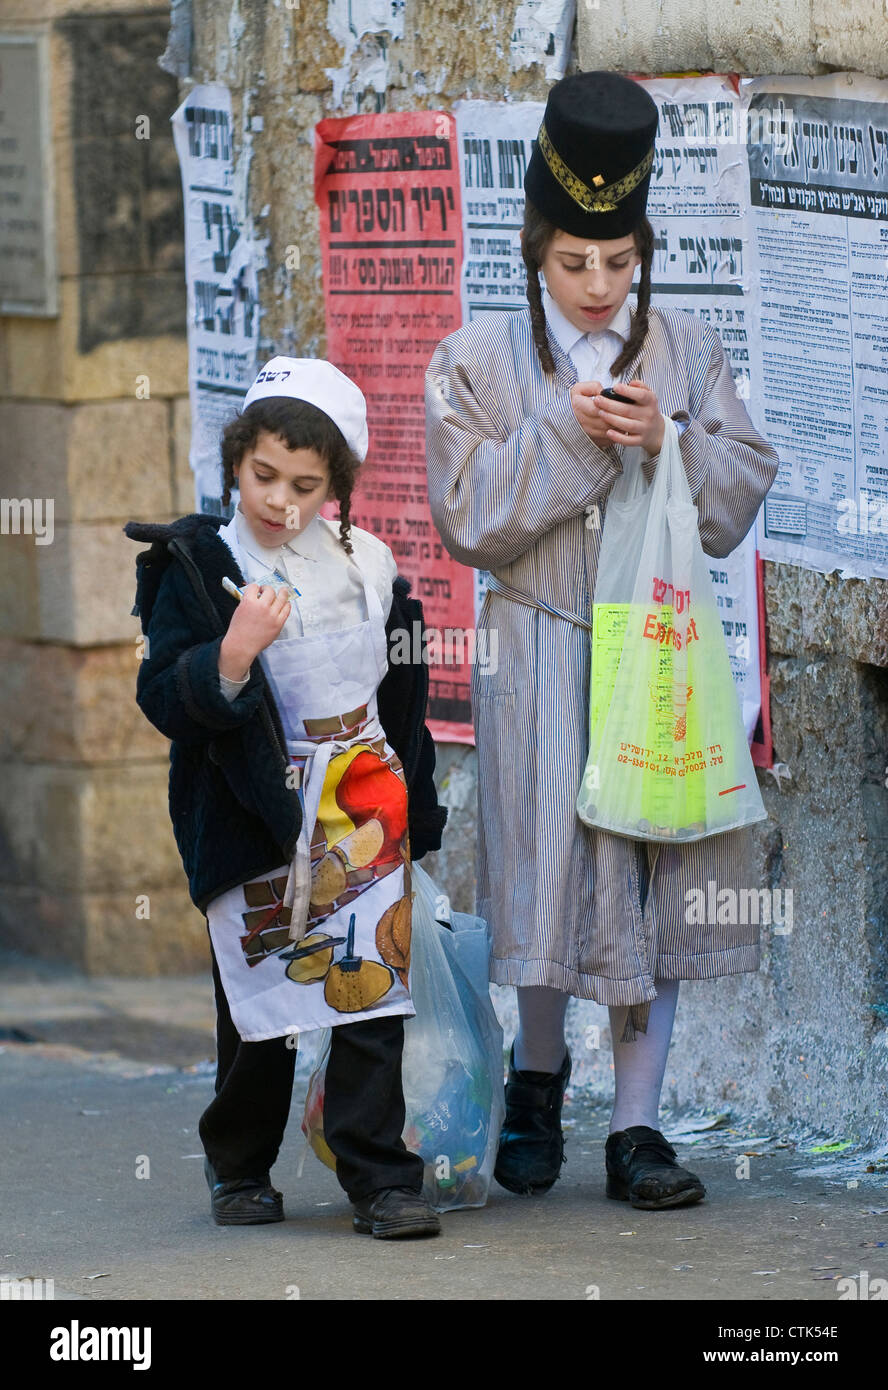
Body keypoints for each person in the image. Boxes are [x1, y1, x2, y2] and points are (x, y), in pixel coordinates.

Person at [424, 71, 779, 1210]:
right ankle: (538, 1078)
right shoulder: (475, 361)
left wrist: (668, 442)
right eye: (574, 262)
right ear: (537, 250)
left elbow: (738, 494)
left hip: (654, 648)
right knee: (543, 868)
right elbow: (468, 516)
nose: (595, 286)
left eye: (618, 262)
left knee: (651, 866)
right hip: (535, 647)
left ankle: (637, 1124)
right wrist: (573, 441)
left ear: (643, 253)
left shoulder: (686, 349)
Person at [125, 357, 448, 1238]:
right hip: (254, 808)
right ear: (236, 460)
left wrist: (416, 806)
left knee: (373, 990)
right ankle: (239, 1165)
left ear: (336, 485)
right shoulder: (200, 565)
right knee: (261, 998)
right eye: (262, 475)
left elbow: (402, 698)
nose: (279, 500)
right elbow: (166, 699)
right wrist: (233, 653)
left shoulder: (369, 564)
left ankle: (379, 1178)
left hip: (365, 801)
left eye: (304, 486)